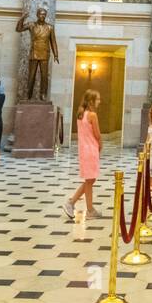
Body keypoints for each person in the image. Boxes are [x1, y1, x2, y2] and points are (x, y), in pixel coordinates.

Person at [66, 90, 102, 220]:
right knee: (90, 179)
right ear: (91, 101)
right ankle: (73, 203)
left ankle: (87, 207)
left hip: (83, 149)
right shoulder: (92, 115)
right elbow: (97, 134)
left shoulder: (81, 114)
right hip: (91, 149)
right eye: (97, 99)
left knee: (90, 179)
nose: (99, 101)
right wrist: (100, 143)